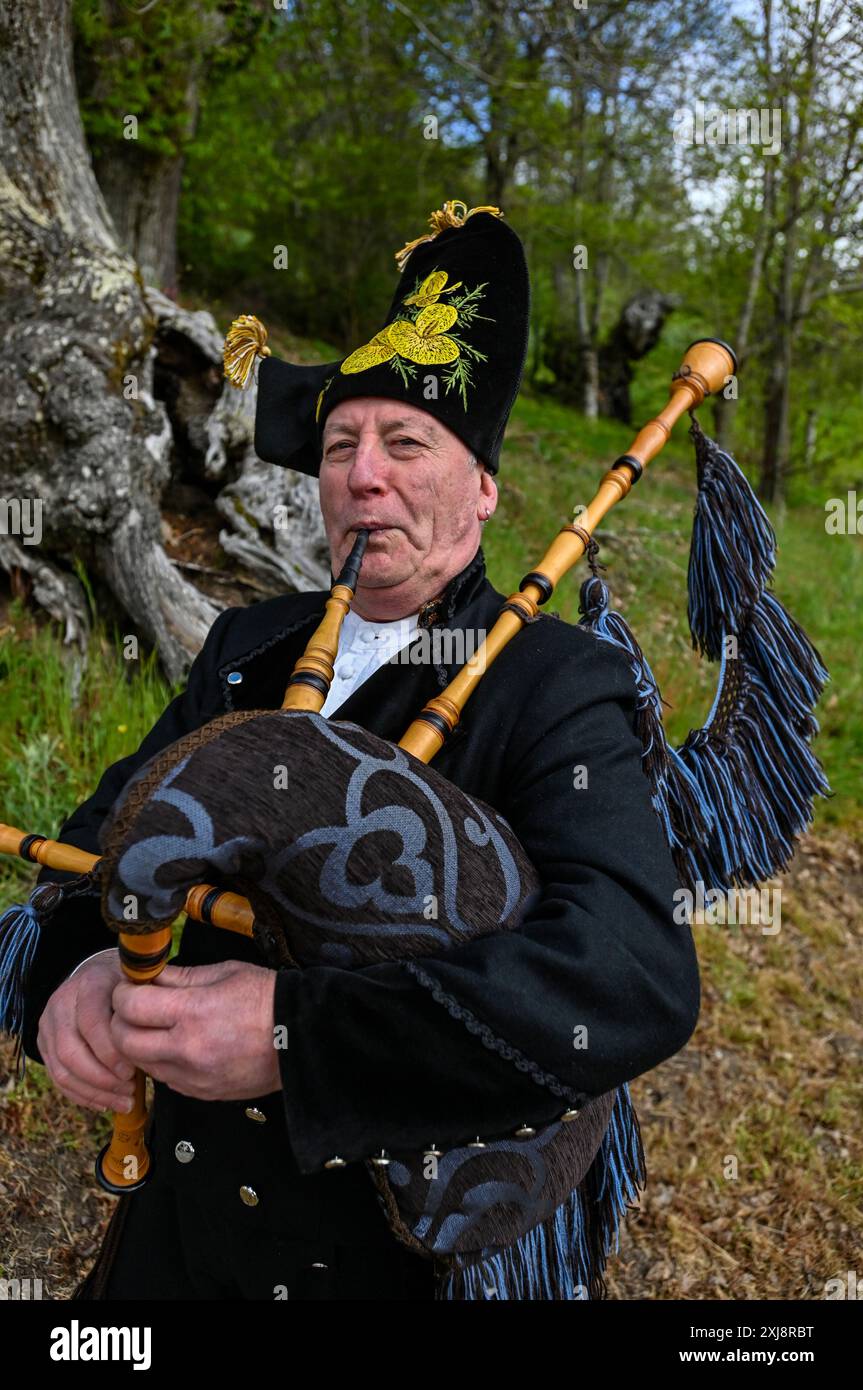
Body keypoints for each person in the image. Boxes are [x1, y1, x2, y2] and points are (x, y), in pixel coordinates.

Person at [18, 202, 700, 1301]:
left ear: (482, 489)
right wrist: (75, 974)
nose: (362, 476)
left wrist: (297, 1038)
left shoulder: (552, 679)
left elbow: (626, 976)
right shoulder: (249, 644)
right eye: (340, 445)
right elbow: (100, 842)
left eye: (405, 443)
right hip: (175, 1235)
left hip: (384, 1255)